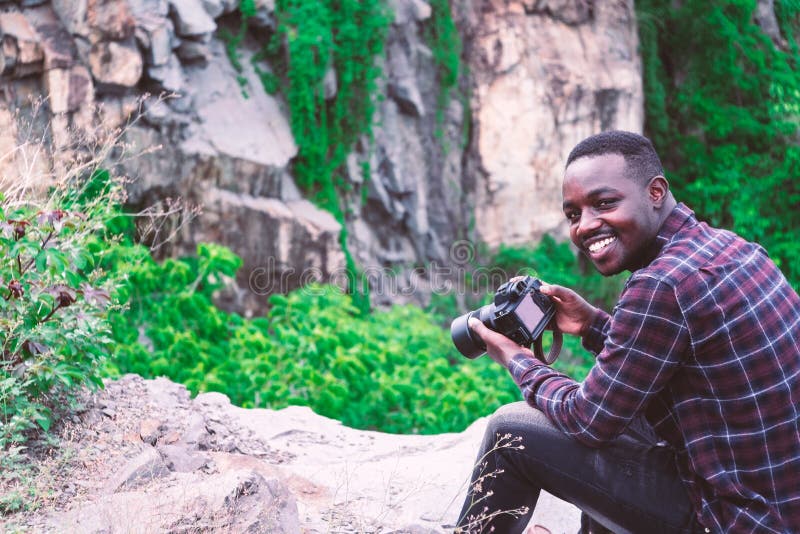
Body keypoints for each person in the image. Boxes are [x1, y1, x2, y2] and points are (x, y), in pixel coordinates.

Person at [456, 131, 800, 533]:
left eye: (604, 203)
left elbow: (586, 419)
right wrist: (592, 324)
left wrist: (516, 359)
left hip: (729, 518)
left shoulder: (660, 285)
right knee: (622, 426)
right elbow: (662, 361)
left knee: (510, 429)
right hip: (776, 505)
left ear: (655, 192)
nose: (585, 226)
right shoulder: (732, 248)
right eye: (573, 214)